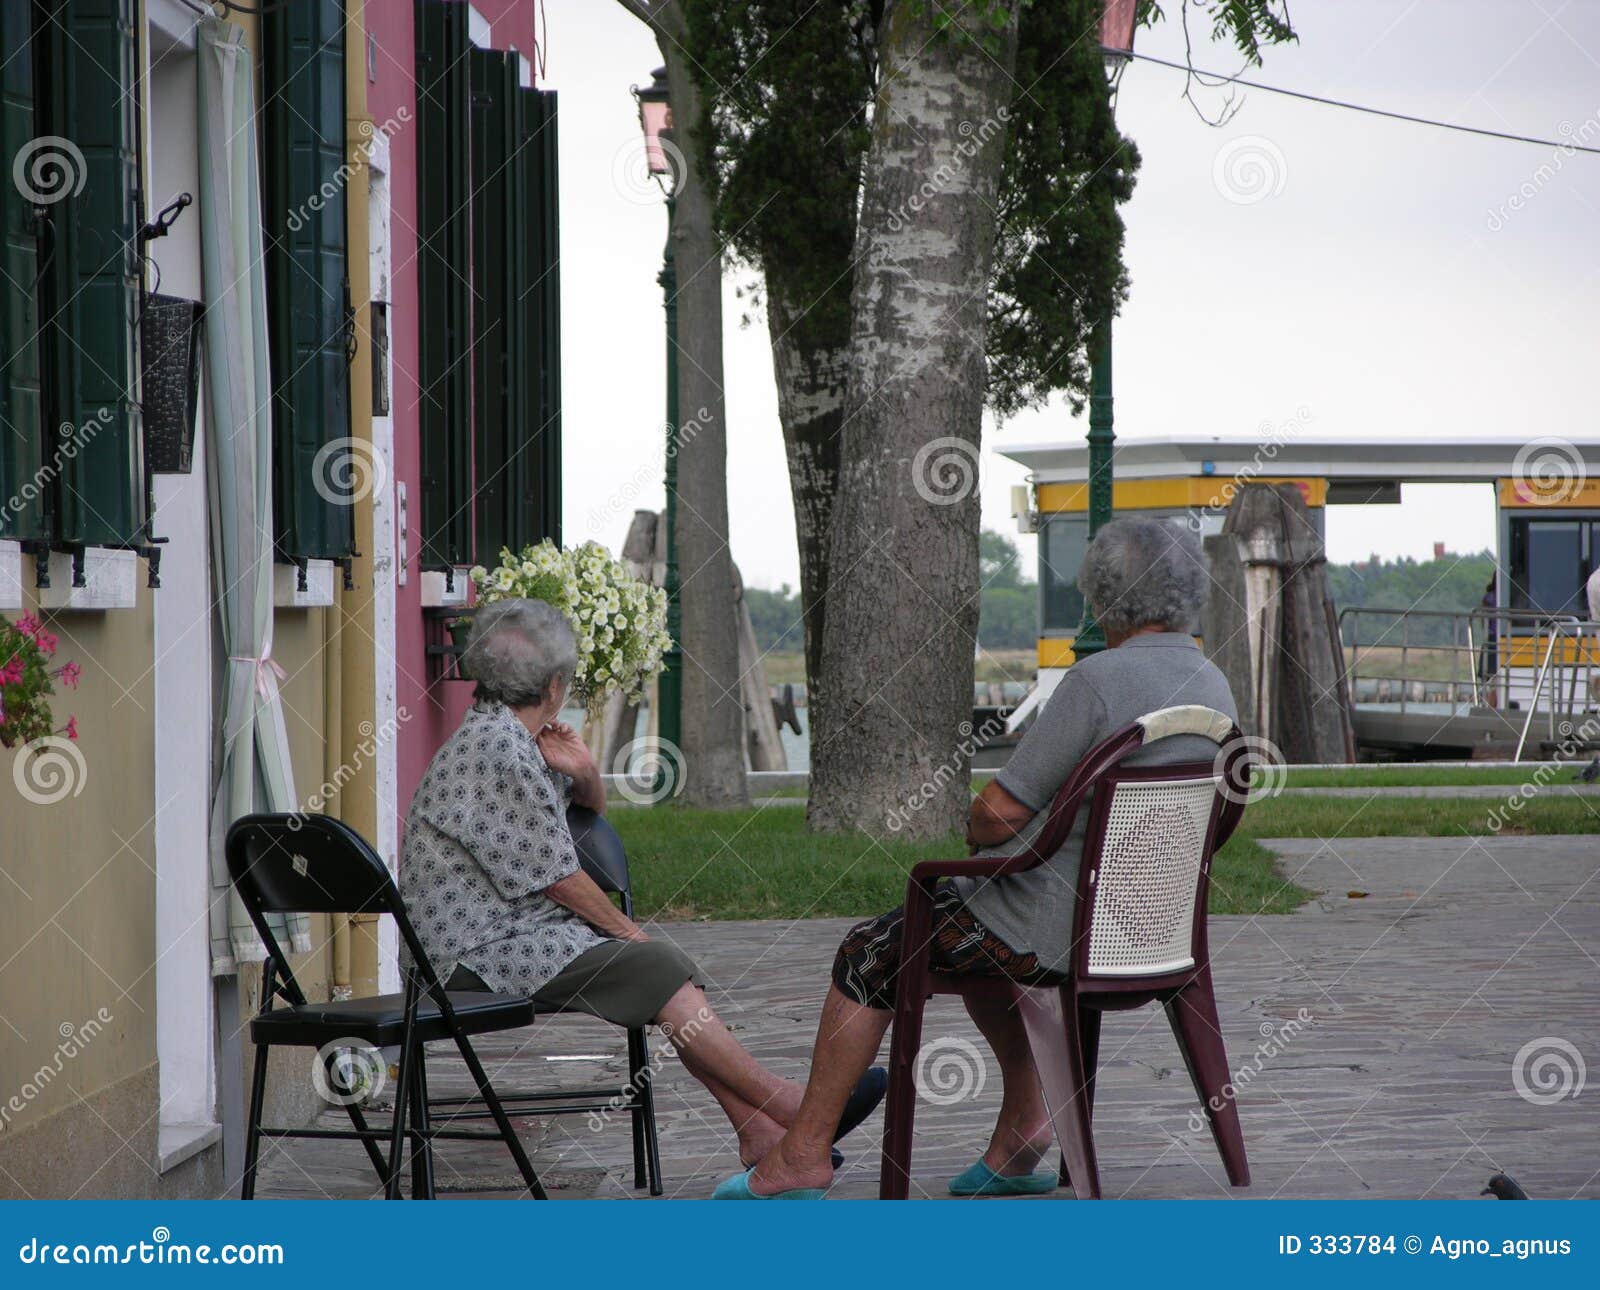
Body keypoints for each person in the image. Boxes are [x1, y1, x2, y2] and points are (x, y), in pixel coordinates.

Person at [717, 517, 1238, 1199]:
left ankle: (802, 1156)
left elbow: (999, 814)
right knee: (962, 927)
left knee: (873, 950)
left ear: (1104, 598)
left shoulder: (1097, 681)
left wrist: (975, 823)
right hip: (1148, 934)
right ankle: (1023, 1132)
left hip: (1053, 931)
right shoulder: (1214, 683)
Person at [402, 598, 885, 1170]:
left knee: (660, 970)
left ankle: (759, 1130)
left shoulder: (502, 735)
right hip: (474, 952)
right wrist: (631, 935)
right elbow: (559, 878)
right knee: (657, 966)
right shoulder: (499, 750)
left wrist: (583, 773)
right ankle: (796, 1106)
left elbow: (580, 827)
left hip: (505, 937)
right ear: (555, 685)